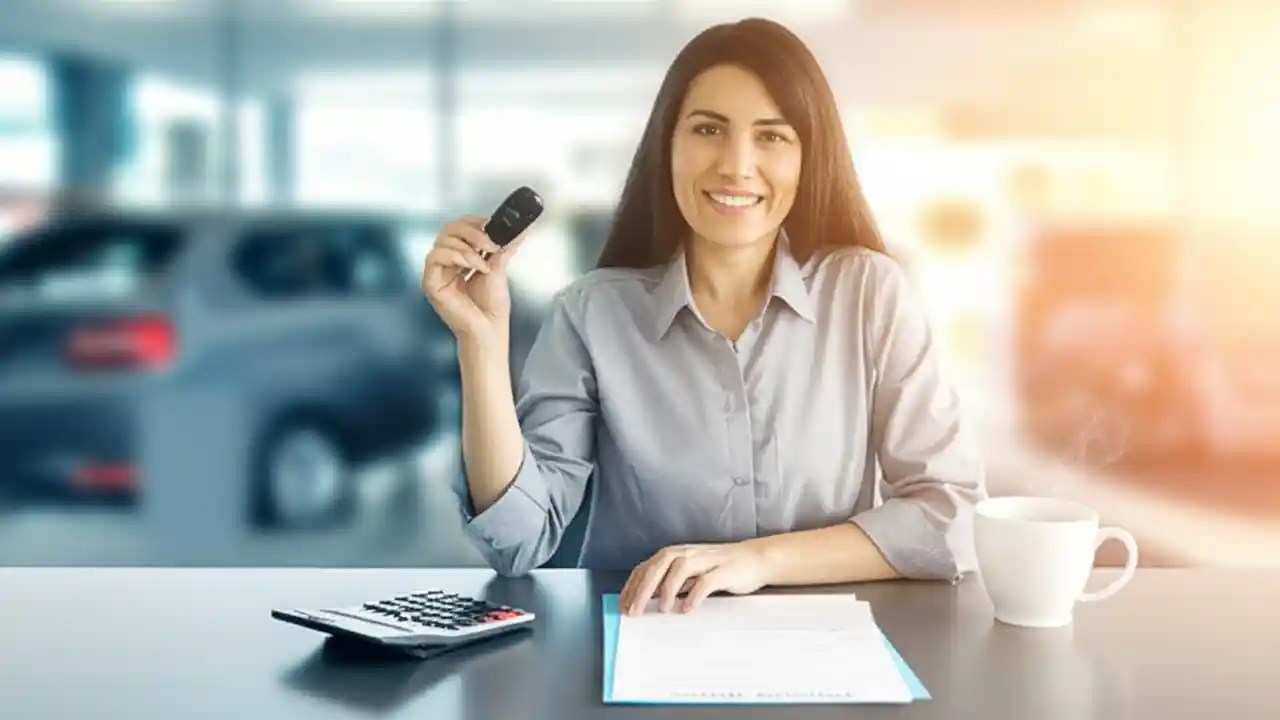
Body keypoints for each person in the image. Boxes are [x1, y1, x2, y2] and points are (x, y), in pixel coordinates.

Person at [420, 18, 986, 616]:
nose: (736, 165)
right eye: (708, 130)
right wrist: (481, 344)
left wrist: (759, 561)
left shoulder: (869, 293)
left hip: (826, 657)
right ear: (668, 145)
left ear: (809, 157)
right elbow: (517, 542)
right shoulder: (591, 315)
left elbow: (950, 516)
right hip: (646, 648)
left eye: (771, 136)